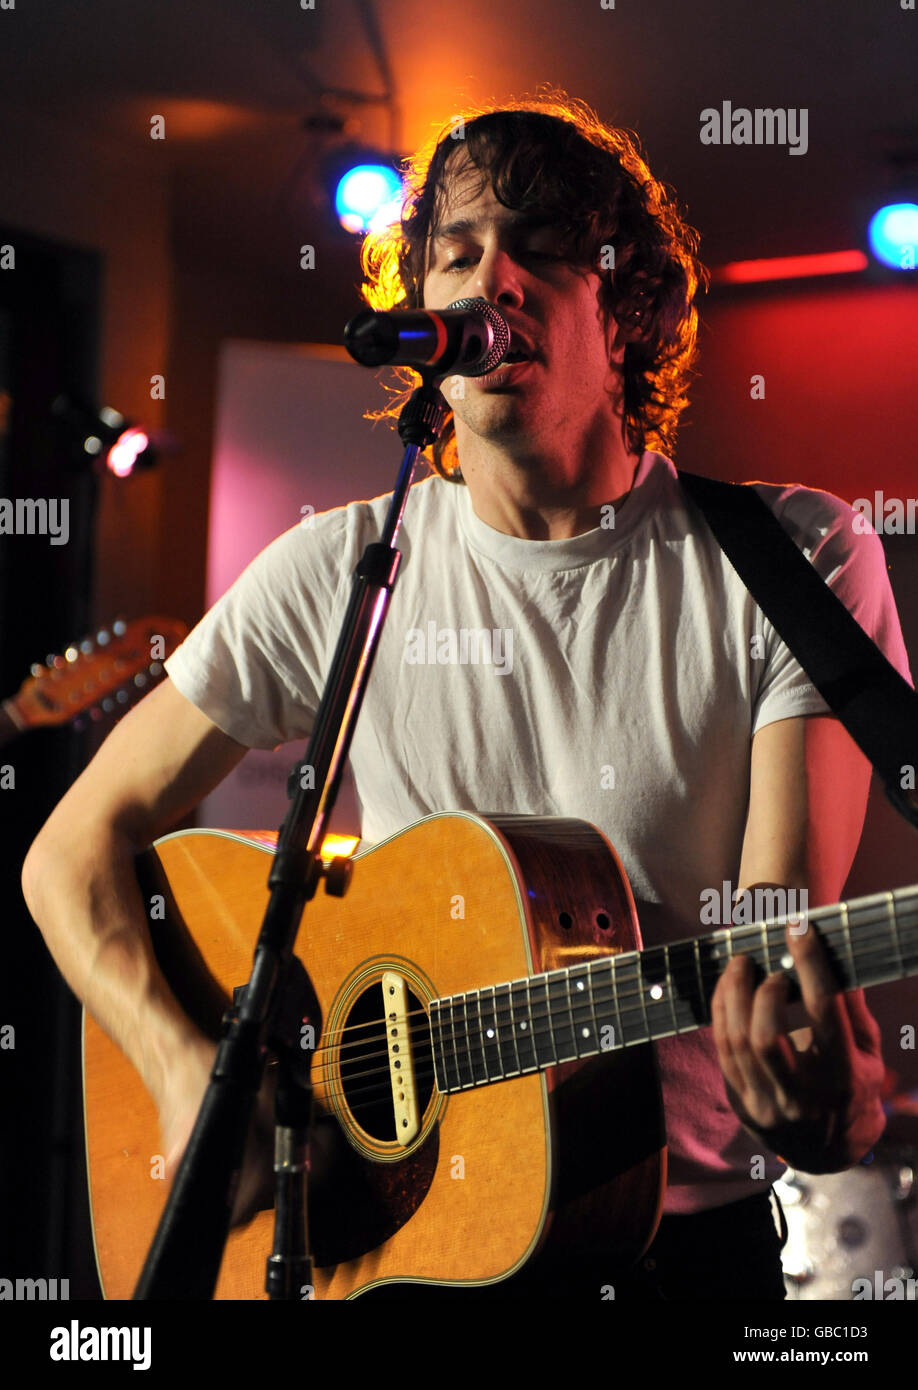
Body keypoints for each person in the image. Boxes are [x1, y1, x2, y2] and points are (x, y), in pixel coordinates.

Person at [22, 90, 913, 1300]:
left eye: (542, 247)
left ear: (632, 310)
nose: (491, 279)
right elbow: (68, 852)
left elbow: (772, 932)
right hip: (397, 1251)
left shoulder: (796, 557)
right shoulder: (343, 569)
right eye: (456, 252)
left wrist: (816, 1101)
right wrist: (186, 1067)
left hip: (666, 1245)